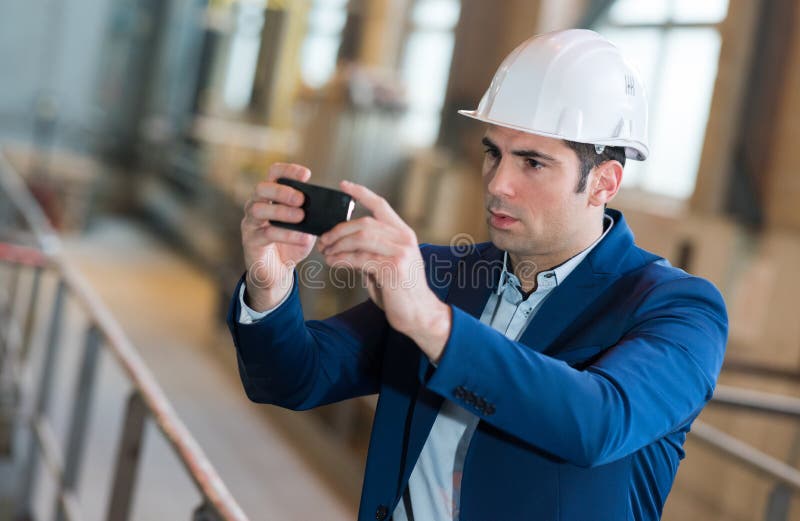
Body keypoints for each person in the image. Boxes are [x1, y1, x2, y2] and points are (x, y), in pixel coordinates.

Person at [227, 29, 728, 521]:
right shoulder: (441, 275)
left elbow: (597, 423)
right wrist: (270, 286)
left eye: (532, 163)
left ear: (603, 183)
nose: (497, 183)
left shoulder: (678, 308)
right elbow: (296, 378)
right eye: (494, 153)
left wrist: (429, 321)